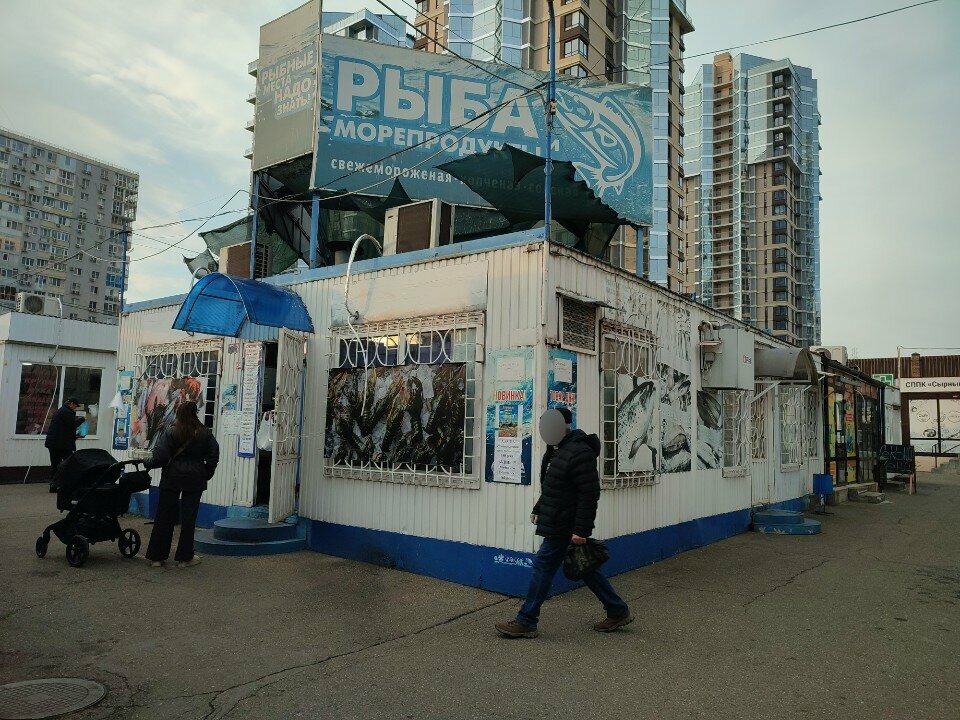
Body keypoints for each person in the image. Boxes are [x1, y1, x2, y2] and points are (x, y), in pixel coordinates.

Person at [496, 408, 633, 638]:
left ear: (565, 424)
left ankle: (526, 620)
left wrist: (581, 530)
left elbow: (589, 494)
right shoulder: (555, 450)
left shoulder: (579, 452)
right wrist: (539, 508)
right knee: (585, 568)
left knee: (543, 566)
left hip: (566, 524)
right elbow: (553, 486)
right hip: (558, 519)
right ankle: (617, 610)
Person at [144, 401, 220, 569]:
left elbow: (160, 456)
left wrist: (147, 463)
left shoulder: (171, 431)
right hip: (195, 479)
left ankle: (157, 558)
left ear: (178, 413)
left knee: (164, 516)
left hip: (172, 477)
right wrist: (206, 472)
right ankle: (185, 558)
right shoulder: (204, 433)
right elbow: (214, 454)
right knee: (189, 519)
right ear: (195, 413)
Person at [44, 397, 85, 475]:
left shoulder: (62, 410)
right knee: (69, 462)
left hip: (55, 442)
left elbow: (64, 428)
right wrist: (82, 420)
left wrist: (74, 436)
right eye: (75, 406)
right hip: (61, 444)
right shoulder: (67, 412)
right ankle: (67, 479)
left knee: (56, 463)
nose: (75, 408)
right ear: (71, 404)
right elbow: (72, 425)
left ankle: (55, 480)